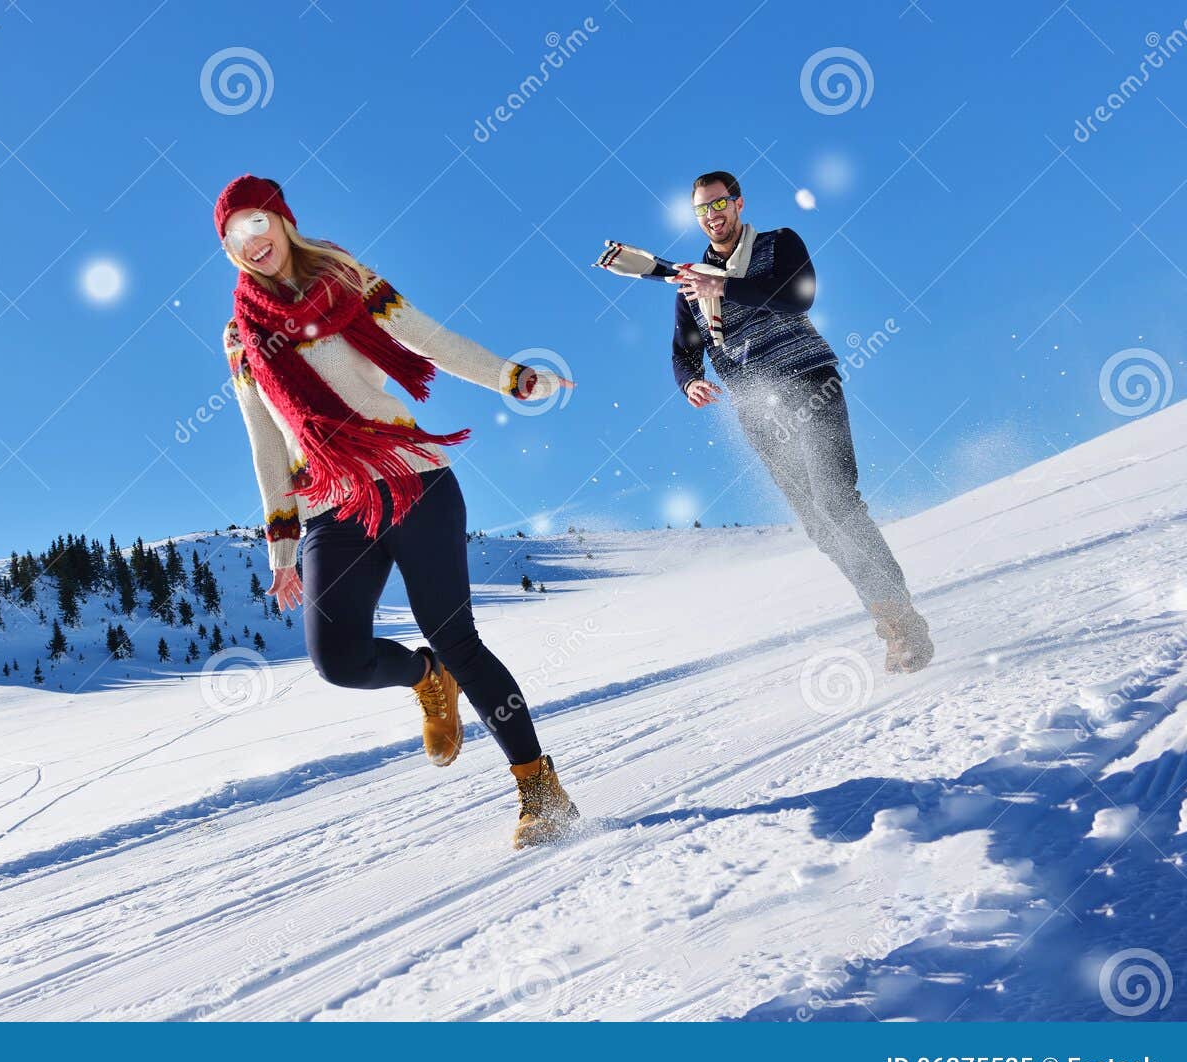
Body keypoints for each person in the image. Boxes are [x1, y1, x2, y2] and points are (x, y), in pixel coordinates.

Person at [216, 174, 581, 848]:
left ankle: (538, 788)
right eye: (234, 237)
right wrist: (284, 547)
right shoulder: (242, 337)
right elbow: (266, 442)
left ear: (281, 222)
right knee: (338, 659)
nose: (251, 243)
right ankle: (424, 677)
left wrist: (510, 376)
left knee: (456, 635)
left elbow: (426, 339)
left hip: (411, 478)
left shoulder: (348, 278)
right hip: (334, 505)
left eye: (257, 224)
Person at [594, 170, 933, 672]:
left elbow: (799, 295)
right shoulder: (689, 285)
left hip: (811, 384)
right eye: (702, 209)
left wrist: (724, 286)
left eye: (720, 203)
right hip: (759, 411)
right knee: (820, 524)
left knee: (837, 502)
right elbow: (684, 352)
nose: (713, 215)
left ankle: (903, 626)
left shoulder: (779, 244)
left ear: (738, 203)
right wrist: (689, 382)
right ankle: (888, 619)